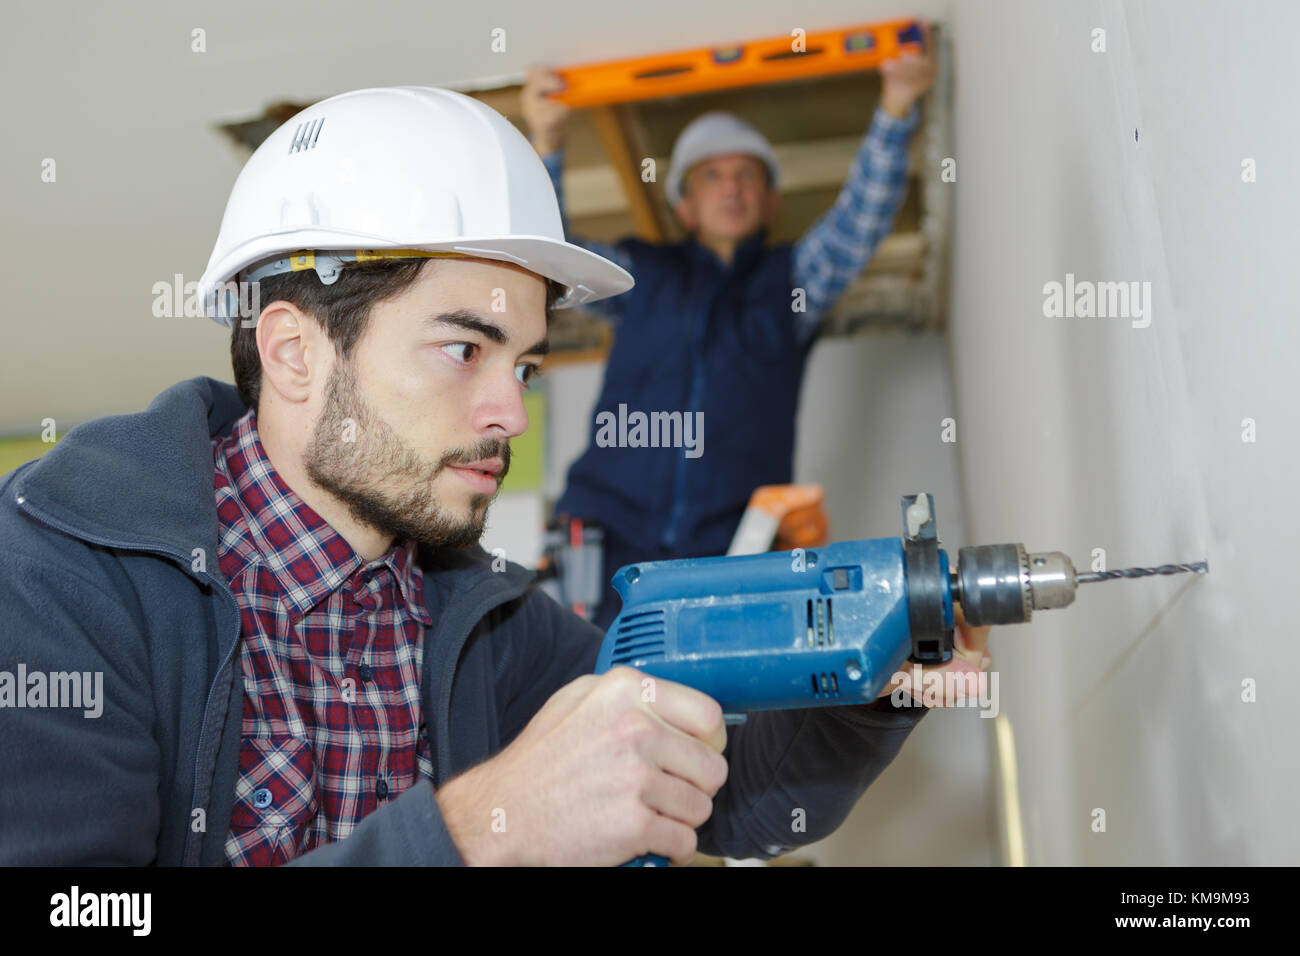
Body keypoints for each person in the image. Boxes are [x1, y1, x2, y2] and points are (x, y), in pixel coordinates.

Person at [0, 84, 989, 867]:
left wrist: (876, 679)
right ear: (295, 351)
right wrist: (481, 828)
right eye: (461, 350)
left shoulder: (483, 618)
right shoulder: (62, 583)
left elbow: (730, 795)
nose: (511, 413)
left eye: (521, 364)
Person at [523, 22, 939, 630]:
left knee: (721, 713)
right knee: (588, 689)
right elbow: (549, 252)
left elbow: (858, 225)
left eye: (747, 176)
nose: (732, 187)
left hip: (736, 546)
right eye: (712, 176)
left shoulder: (792, 283)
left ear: (771, 203)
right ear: (684, 207)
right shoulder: (643, 275)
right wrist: (548, 139)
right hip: (606, 534)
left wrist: (898, 107)